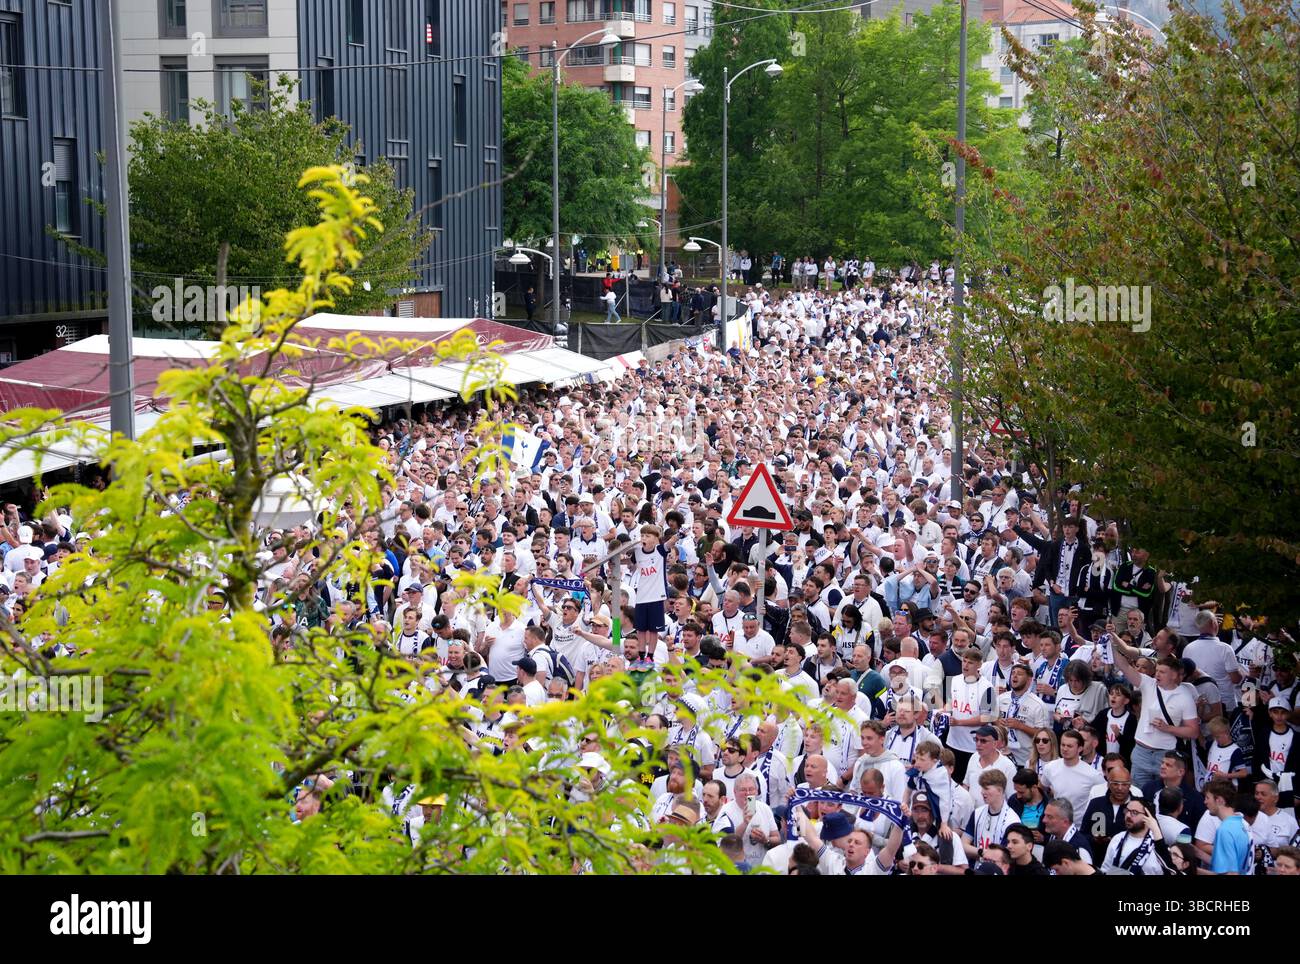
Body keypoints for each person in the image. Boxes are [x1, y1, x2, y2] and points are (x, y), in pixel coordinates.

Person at [1112, 640, 1200, 789]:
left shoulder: (1185, 696)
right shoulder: (1148, 684)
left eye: (1162, 672)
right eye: (1157, 670)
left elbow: (1194, 731)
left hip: (1165, 755)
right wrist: (1110, 646)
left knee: (1164, 796)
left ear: (1174, 675)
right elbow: (1124, 666)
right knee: (1138, 795)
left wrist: (1169, 728)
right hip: (1141, 751)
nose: (1157, 674)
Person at [1040, 729, 1105, 828]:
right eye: (1063, 745)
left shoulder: (1093, 775)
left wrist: (1098, 830)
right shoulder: (1050, 767)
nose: (1065, 749)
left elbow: (1103, 801)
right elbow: (1042, 787)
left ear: (1080, 748)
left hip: (1079, 828)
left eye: (1069, 746)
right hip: (1055, 827)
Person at [1101, 799, 1170, 875]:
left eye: (1134, 812)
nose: (1128, 815)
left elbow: (1170, 870)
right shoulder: (1117, 838)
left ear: (1147, 817)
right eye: (1127, 810)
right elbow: (1105, 869)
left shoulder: (1157, 844)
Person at [1204, 780, 1252, 875]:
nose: (1205, 802)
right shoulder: (1243, 824)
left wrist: (1194, 871)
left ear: (1220, 801)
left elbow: (1230, 873)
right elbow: (1231, 862)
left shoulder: (1225, 830)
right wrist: (1197, 852)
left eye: (1207, 798)